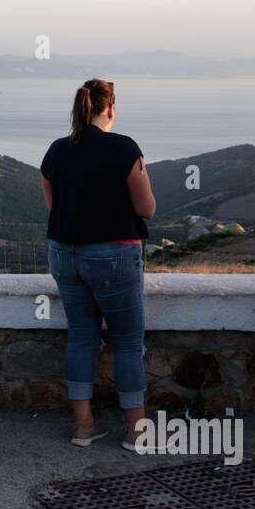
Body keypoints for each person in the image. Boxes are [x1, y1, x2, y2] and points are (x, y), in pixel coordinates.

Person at [41, 79, 156, 450]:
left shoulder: (57, 151)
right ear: (111, 109)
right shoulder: (124, 148)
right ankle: (136, 432)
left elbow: (54, 205)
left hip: (64, 254)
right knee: (126, 342)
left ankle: (84, 426)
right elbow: (146, 209)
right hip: (114, 256)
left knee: (81, 338)